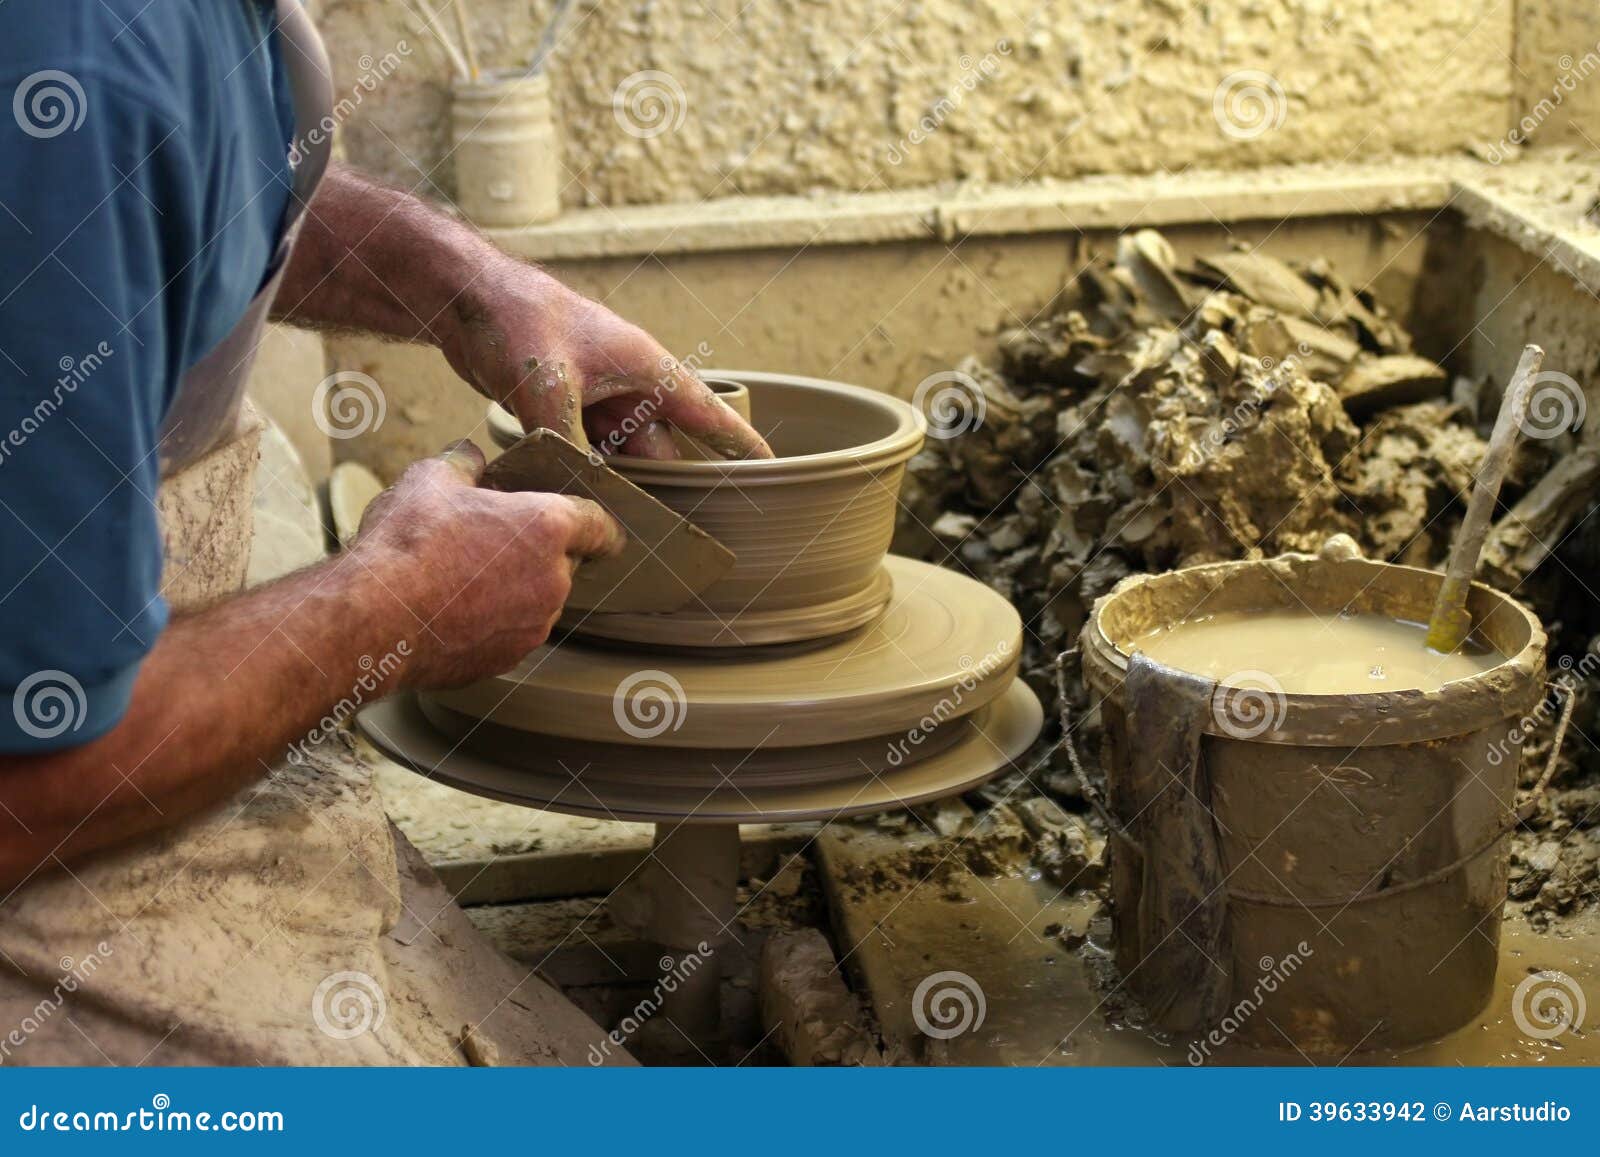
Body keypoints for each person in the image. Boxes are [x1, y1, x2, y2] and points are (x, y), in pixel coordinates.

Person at [0, 0, 769, 1064]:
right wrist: (396, 604)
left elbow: (162, 197)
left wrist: (459, 282)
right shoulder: (71, 58)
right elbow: (25, 784)